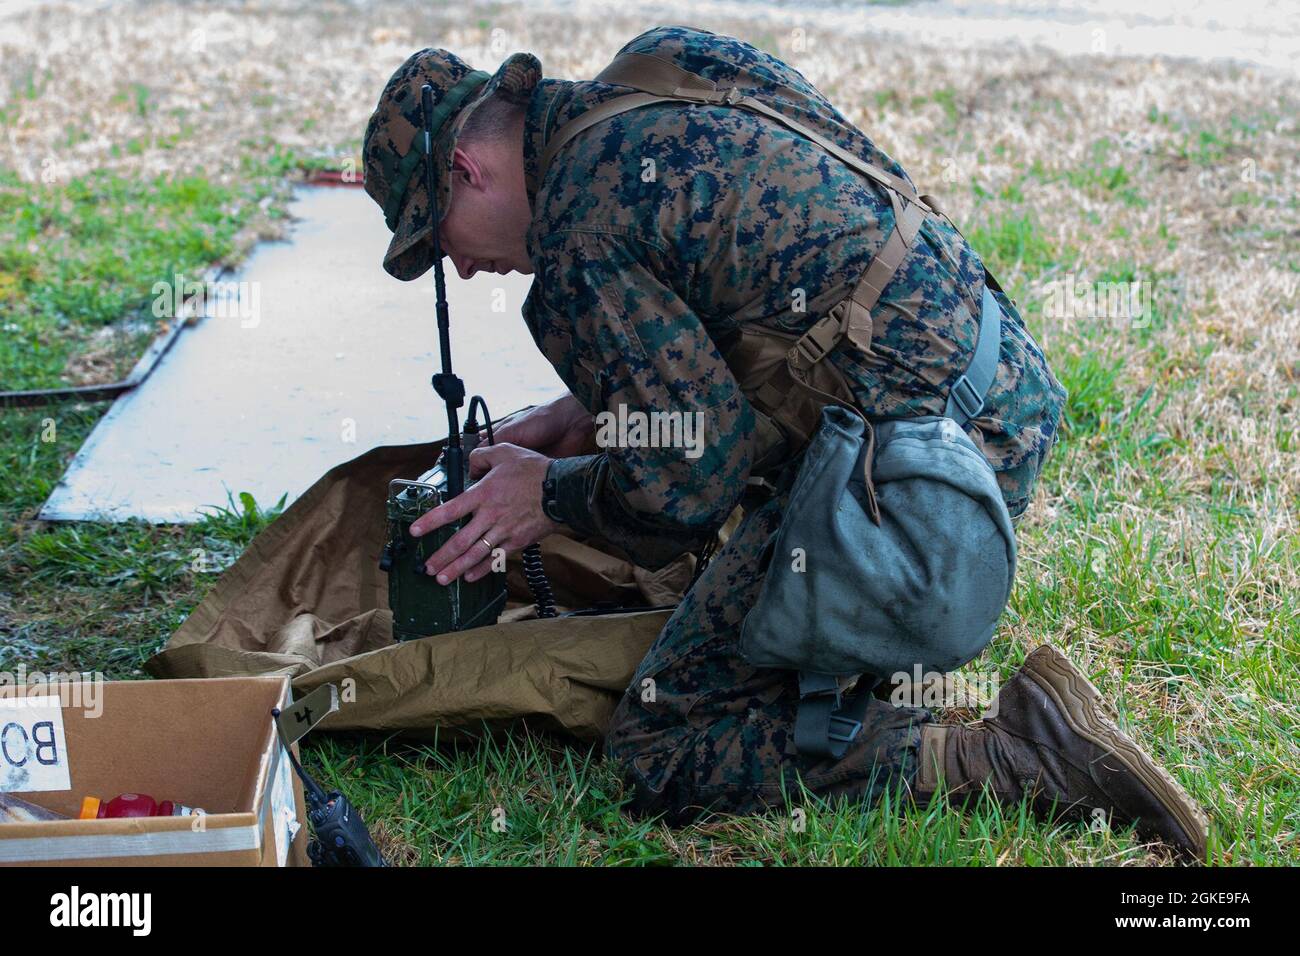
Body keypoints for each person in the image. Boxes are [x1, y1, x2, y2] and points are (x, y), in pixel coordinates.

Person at [361, 25, 1207, 859]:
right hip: (1000, 383)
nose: (463, 270)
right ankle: (843, 653)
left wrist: (545, 495)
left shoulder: (577, 241)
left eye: (440, 244)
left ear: (468, 173)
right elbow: (747, 285)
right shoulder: (664, 65)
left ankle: (1015, 754)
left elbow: (688, 486)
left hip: (917, 485)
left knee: (666, 746)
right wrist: (586, 412)